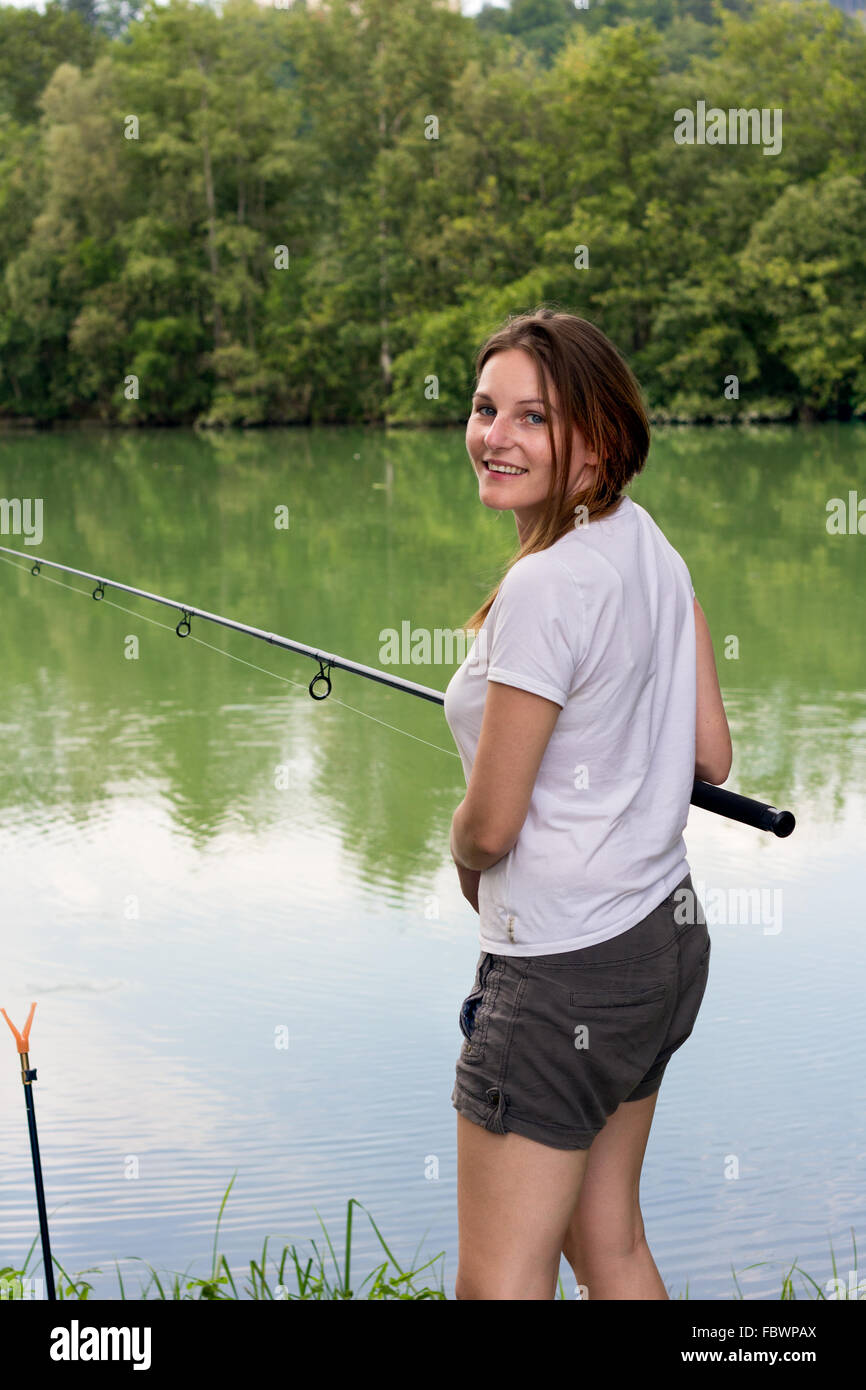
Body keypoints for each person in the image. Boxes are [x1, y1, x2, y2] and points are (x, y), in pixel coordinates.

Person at [442, 307, 732, 1302]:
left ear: (596, 443)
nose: (496, 435)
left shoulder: (545, 587)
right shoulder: (644, 542)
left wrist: (462, 858)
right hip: (660, 941)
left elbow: (490, 824)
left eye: (533, 417)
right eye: (487, 409)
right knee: (604, 1245)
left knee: (496, 1285)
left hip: (562, 973)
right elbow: (709, 755)